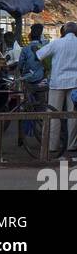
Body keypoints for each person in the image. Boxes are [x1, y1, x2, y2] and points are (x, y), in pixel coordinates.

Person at [36, 21, 77, 157]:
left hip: (57, 83)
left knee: (54, 115)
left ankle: (52, 145)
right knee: (73, 115)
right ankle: (72, 145)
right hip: (75, 83)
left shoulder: (56, 43)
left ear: (63, 32)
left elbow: (39, 55)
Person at [18, 24, 47, 105]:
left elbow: (20, 65)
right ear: (40, 36)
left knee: (28, 103)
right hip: (41, 80)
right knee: (41, 103)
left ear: (30, 36)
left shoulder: (25, 49)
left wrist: (23, 75)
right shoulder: (45, 47)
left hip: (28, 80)